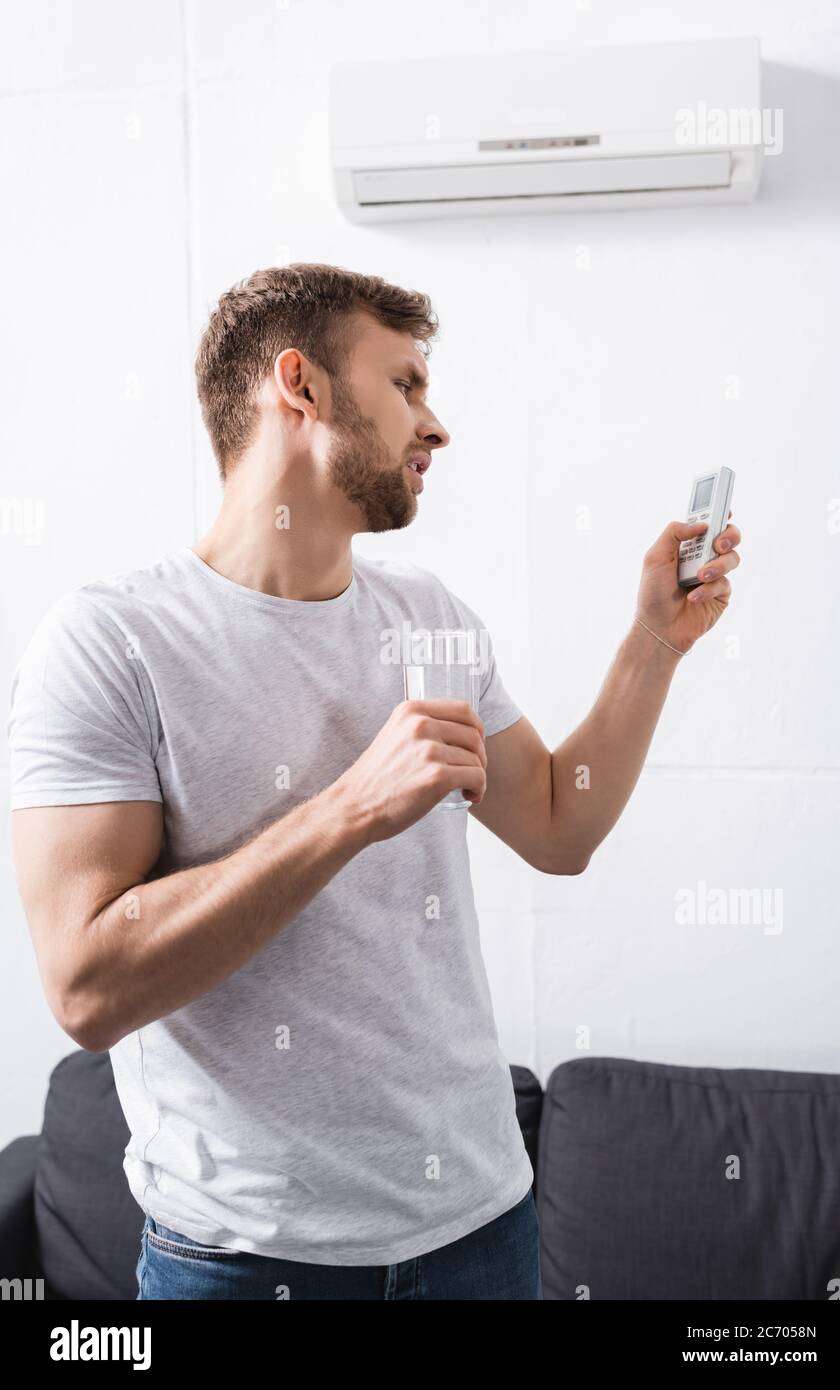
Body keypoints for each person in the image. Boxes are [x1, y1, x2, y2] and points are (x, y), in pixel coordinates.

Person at [7, 263, 741, 1300]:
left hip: (483, 1232)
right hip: (245, 1262)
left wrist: (652, 646)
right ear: (297, 385)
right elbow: (84, 986)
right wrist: (351, 809)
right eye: (406, 386)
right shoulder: (111, 643)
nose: (436, 427)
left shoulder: (427, 612)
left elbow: (559, 824)